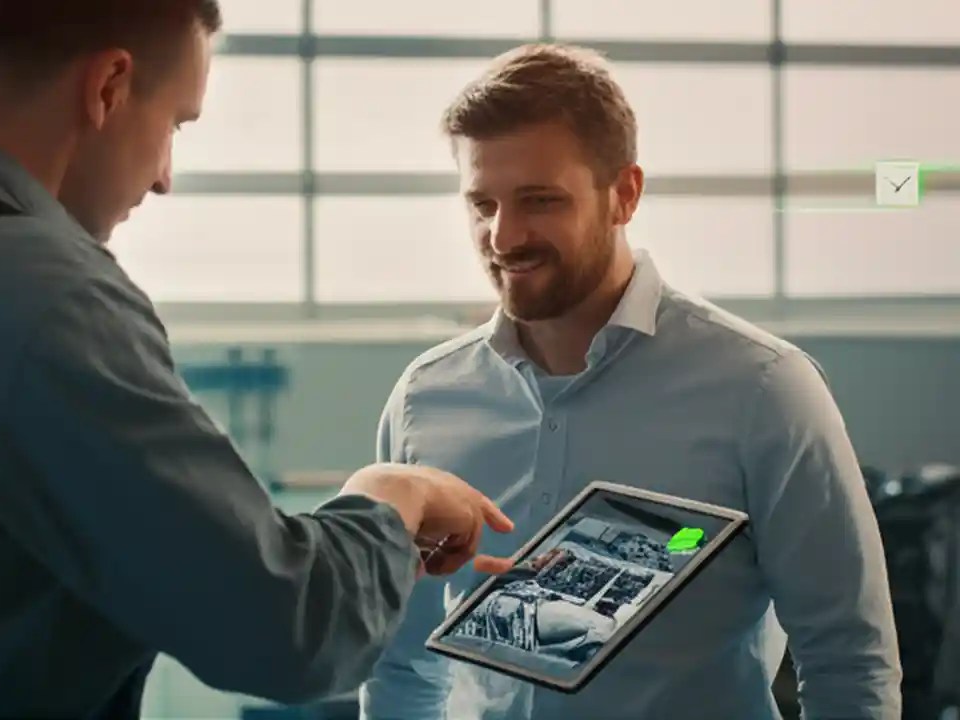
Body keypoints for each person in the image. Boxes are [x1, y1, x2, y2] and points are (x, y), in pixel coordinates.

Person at [0, 1, 516, 717]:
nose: (163, 178)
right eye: (175, 125)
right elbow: (284, 632)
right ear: (109, 86)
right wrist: (387, 497)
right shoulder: (46, 294)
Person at [359, 44, 902, 720]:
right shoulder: (424, 401)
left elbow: (849, 660)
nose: (503, 236)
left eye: (540, 201)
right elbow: (401, 664)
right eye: (482, 203)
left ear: (625, 194)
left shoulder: (762, 390)